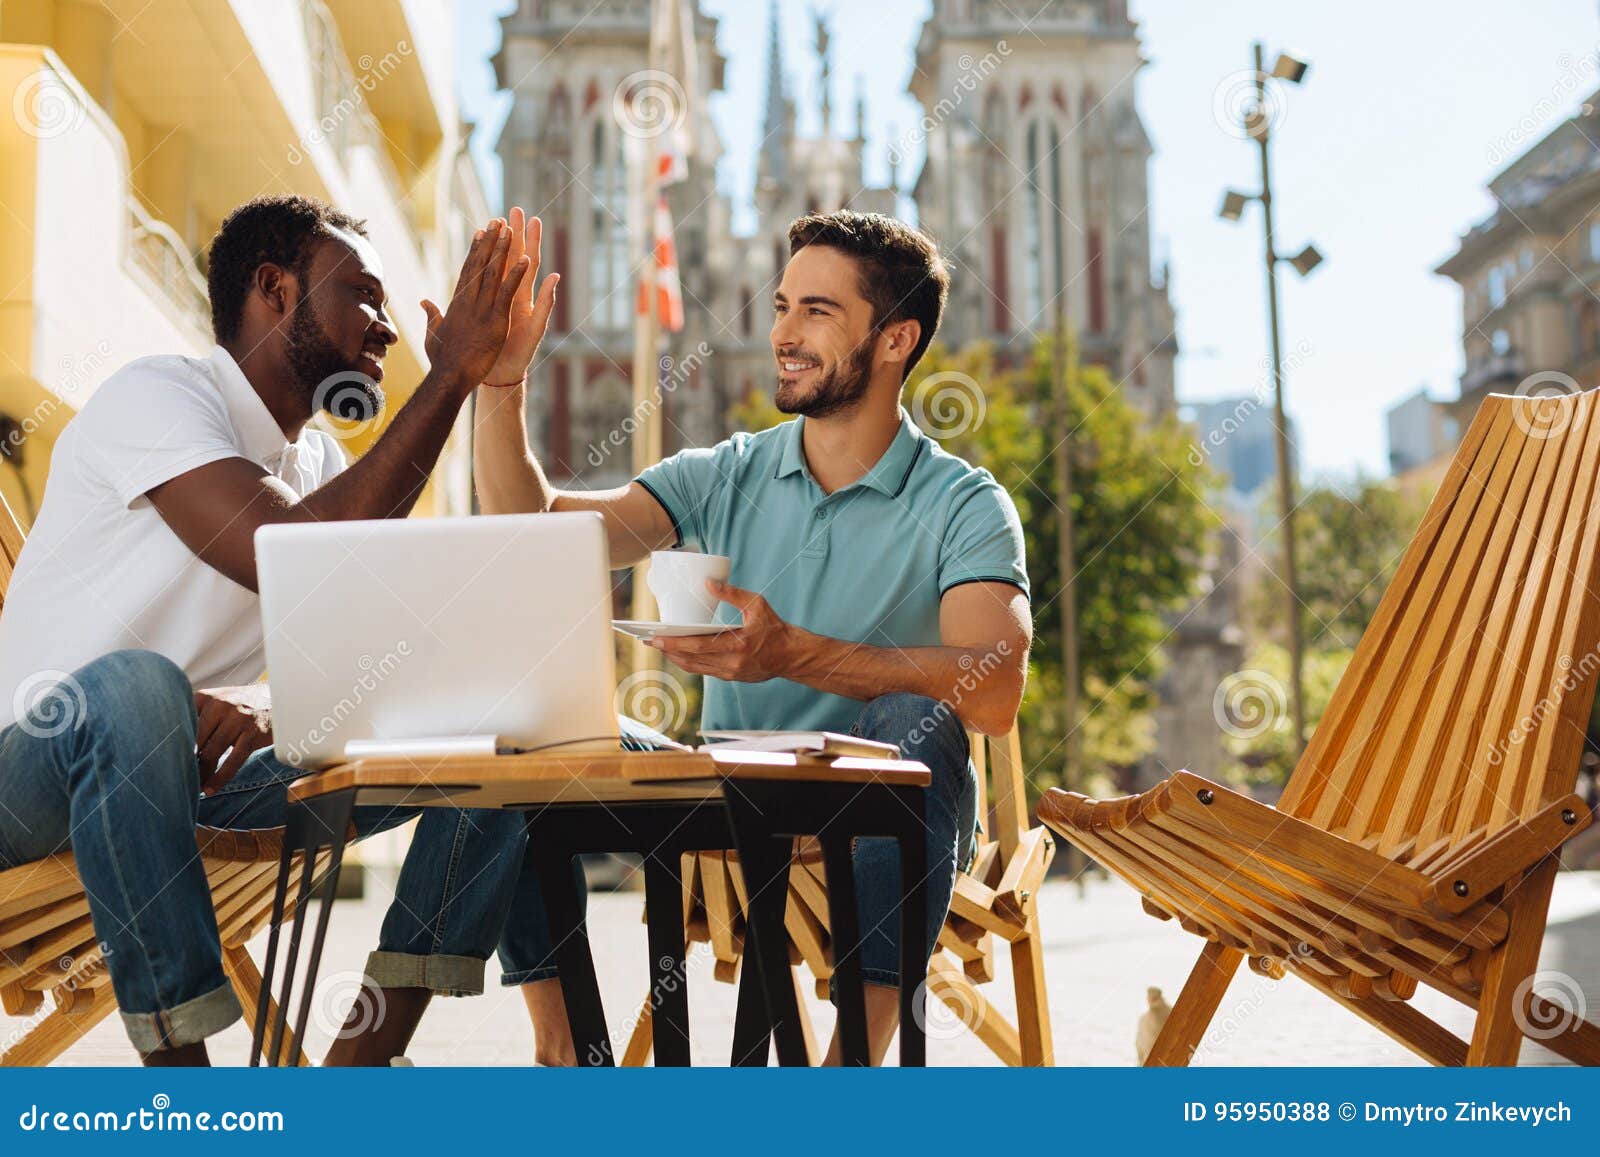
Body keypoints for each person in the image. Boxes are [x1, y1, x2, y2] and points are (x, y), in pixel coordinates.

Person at [0, 194, 565, 1065]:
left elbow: (358, 661)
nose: (386, 327)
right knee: (136, 685)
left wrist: (271, 713)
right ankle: (191, 1090)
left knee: (495, 722)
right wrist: (450, 372)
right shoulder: (156, 397)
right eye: (365, 297)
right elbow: (286, 553)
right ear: (273, 288)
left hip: (196, 790)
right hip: (32, 779)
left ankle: (355, 1073)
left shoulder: (319, 467)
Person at [474, 208, 1032, 1064]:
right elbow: (534, 533)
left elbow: (991, 692)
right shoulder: (724, 471)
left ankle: (849, 1070)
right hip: (723, 804)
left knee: (915, 724)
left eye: (817, 311)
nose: (781, 332)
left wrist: (797, 653)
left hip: (880, 819)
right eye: (780, 306)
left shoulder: (964, 502)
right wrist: (501, 382)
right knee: (518, 723)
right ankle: (561, 1047)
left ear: (895, 340)